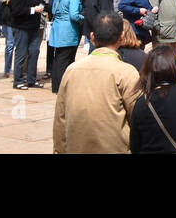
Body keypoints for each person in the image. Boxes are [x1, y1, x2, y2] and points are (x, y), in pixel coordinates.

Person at [52, 12, 139, 153]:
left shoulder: (71, 70)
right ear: (122, 37)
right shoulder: (126, 72)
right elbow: (137, 117)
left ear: (92, 37)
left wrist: (60, 149)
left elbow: (60, 118)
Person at [9, 0, 45, 90]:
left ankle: (31, 79)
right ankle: (18, 80)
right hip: (22, 27)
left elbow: (42, 2)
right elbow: (16, 10)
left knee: (34, 52)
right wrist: (33, 10)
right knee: (21, 54)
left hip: (34, 27)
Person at [48, 0, 83, 93]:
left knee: (58, 58)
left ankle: (56, 86)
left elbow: (52, 9)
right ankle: (63, 87)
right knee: (66, 60)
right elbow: (74, 15)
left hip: (57, 27)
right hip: (68, 30)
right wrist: (83, 17)